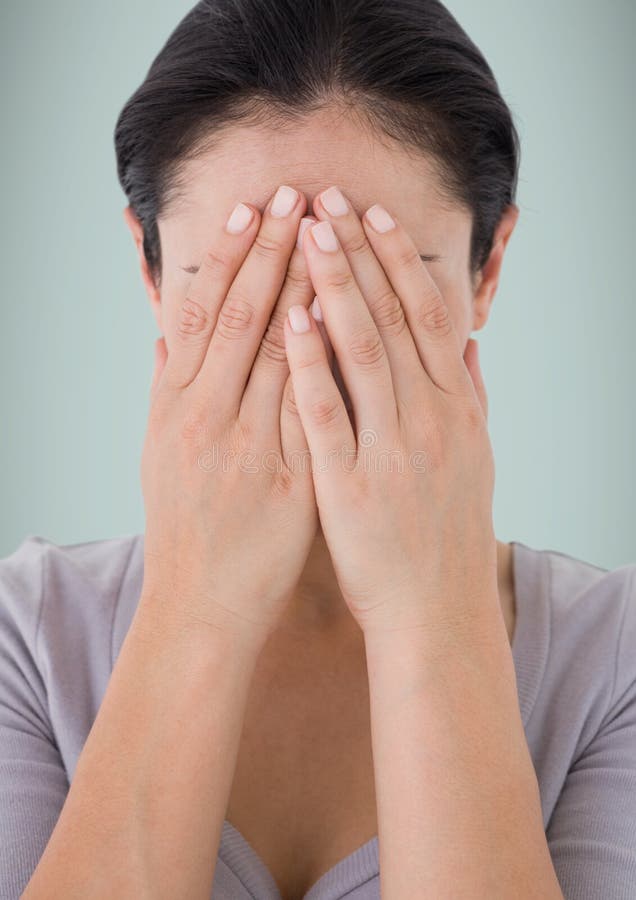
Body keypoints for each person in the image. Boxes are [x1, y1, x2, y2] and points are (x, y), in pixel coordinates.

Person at [1, 1, 635, 898]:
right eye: (243, 290)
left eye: (370, 287)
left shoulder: (615, 659)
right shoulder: (24, 639)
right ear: (149, 274)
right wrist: (196, 611)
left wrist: (432, 618)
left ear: (486, 268)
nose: (304, 345)